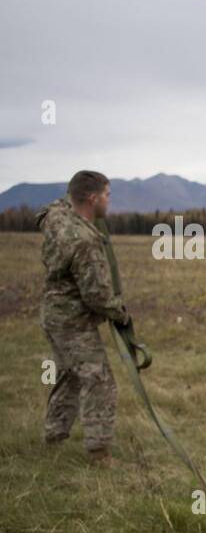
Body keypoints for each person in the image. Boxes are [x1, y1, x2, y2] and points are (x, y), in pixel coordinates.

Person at [36, 171, 130, 466]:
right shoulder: (86, 242)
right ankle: (99, 454)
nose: (109, 201)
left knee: (70, 375)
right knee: (99, 380)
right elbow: (97, 297)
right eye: (107, 195)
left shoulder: (57, 218)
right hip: (72, 324)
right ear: (93, 199)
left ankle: (53, 438)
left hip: (52, 315)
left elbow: (49, 209)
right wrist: (121, 315)